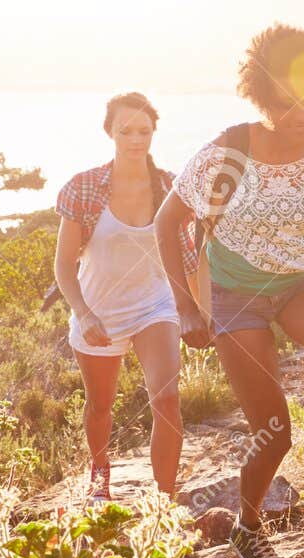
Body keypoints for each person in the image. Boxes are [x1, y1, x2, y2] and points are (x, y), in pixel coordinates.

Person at [155, 25, 304, 558]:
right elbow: (168, 224)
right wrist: (187, 307)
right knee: (274, 427)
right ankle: (249, 528)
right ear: (264, 97)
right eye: (289, 103)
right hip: (237, 296)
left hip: (302, 282)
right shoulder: (227, 153)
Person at [54, 93, 200, 502]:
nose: (136, 139)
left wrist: (198, 312)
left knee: (167, 399)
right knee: (101, 405)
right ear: (109, 132)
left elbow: (189, 259)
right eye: (126, 131)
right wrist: (83, 314)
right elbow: (65, 265)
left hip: (156, 307)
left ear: (154, 132)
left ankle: (163, 502)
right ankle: (99, 472)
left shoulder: (171, 187)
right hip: (97, 312)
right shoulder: (83, 188)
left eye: (144, 131)